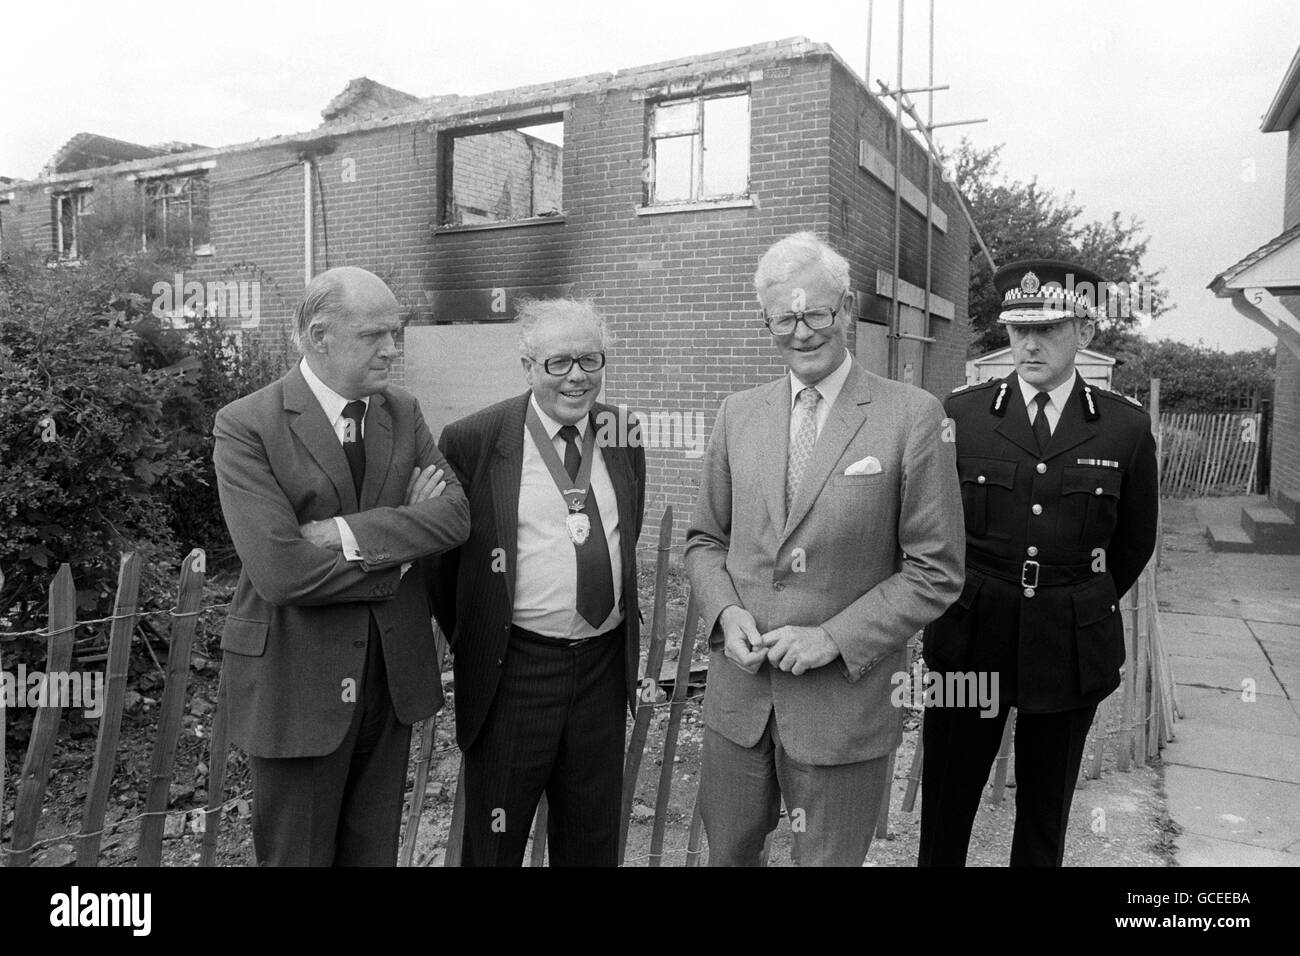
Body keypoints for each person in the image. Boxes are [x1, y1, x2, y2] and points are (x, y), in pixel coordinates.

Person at [684, 231, 965, 866]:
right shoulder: (737, 414)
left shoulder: (912, 415)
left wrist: (833, 637)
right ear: (767, 320)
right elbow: (706, 540)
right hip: (740, 703)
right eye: (785, 317)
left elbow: (936, 570)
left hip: (843, 707)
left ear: (846, 308)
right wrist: (727, 614)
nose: (802, 331)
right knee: (726, 858)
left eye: (817, 313)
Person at [213, 266, 470, 866]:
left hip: (390, 678)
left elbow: (455, 516)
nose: (393, 349)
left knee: (370, 854)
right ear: (320, 336)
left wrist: (342, 534)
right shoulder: (247, 424)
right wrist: (401, 551)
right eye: (376, 335)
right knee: (297, 857)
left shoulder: (401, 411)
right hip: (296, 683)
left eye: (396, 332)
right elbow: (281, 571)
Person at [918, 259, 1159, 867]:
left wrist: (1073, 596)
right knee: (947, 802)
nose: (1028, 344)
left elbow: (1134, 543)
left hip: (1067, 643)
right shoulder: (961, 415)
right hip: (971, 634)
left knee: (1044, 814)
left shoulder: (1123, 428)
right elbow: (933, 527)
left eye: (1048, 328)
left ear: (1084, 330)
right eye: (1018, 329)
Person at [429, 298, 645, 867]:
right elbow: (443, 567)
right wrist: (481, 639)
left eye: (590, 359)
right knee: (495, 844)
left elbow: (628, 528)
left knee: (592, 844)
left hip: (602, 669)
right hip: (515, 672)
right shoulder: (473, 439)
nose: (577, 376)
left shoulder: (622, 431)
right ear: (528, 366)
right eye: (558, 362)